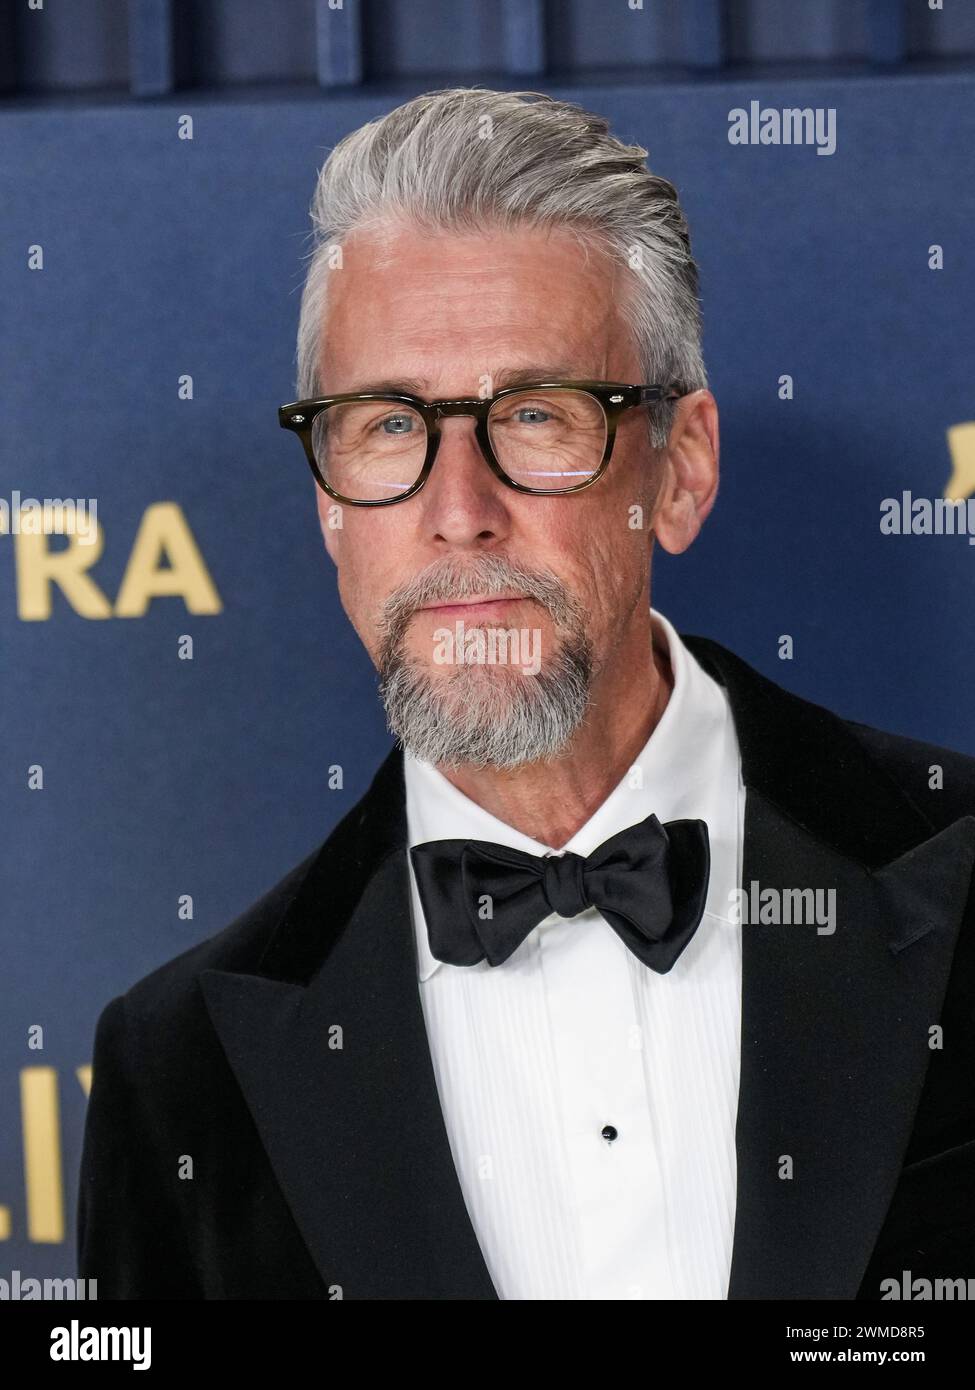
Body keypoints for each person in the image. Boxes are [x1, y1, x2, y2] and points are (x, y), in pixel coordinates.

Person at [77, 86, 975, 1300]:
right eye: (390, 425)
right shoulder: (179, 1076)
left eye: (537, 415)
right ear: (329, 504)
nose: (458, 513)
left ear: (685, 465)